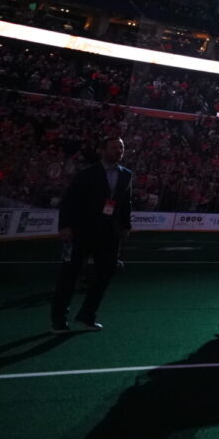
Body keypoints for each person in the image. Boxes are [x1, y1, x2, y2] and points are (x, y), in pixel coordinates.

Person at [51, 135, 134, 333]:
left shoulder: (126, 175)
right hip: (82, 231)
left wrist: (125, 227)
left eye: (121, 148)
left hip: (109, 234)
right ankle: (59, 320)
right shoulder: (87, 174)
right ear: (102, 150)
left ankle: (87, 314)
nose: (118, 151)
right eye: (114, 147)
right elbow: (69, 200)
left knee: (105, 275)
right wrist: (65, 226)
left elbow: (126, 203)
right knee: (69, 276)